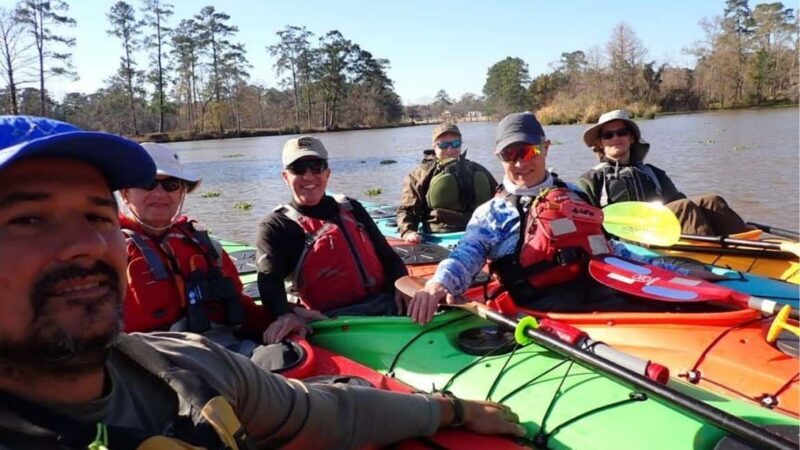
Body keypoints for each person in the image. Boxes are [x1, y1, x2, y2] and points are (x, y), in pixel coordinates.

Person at [0, 116, 525, 449]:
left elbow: (320, 404)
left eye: (96, 218)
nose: (86, 245)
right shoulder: (276, 227)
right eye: (27, 220)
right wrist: (290, 314)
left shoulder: (193, 367)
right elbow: (270, 289)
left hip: (241, 350)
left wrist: (447, 408)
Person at [407, 112, 685, 325]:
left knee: (685, 305)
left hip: (601, 297)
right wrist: (438, 285)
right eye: (509, 154)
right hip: (545, 313)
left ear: (546, 147)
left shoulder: (574, 195)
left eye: (528, 151)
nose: (520, 163)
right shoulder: (491, 213)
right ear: (498, 157)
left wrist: (672, 270)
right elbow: (466, 255)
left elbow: (609, 249)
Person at [118, 142, 271, 356]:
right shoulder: (107, 251)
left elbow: (242, 308)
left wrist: (287, 315)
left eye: (171, 184)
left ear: (181, 192)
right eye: (148, 183)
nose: (160, 193)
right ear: (125, 192)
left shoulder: (207, 246)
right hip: (150, 365)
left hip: (223, 353)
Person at [256, 136, 409, 344]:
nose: (309, 176)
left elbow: (387, 256)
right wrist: (285, 314)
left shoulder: (351, 208)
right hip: (331, 323)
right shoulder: (276, 226)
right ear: (285, 177)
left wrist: (403, 285)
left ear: (327, 173)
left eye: (316, 167)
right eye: (298, 169)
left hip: (387, 307)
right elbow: (269, 284)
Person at [577, 109, 750, 236]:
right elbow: (584, 224)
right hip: (629, 238)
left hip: (664, 230)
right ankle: (711, 261)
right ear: (600, 143)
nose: (615, 138)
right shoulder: (591, 179)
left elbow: (678, 201)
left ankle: (750, 245)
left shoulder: (653, 173)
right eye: (608, 135)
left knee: (712, 201)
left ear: (631, 138)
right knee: (685, 207)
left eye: (621, 132)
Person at [397, 123, 498, 243]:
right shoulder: (420, 174)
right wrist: (408, 231)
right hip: (442, 234)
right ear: (434, 147)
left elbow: (500, 198)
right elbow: (407, 209)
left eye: (455, 144)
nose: (450, 150)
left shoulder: (476, 169)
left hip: (479, 231)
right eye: (443, 145)